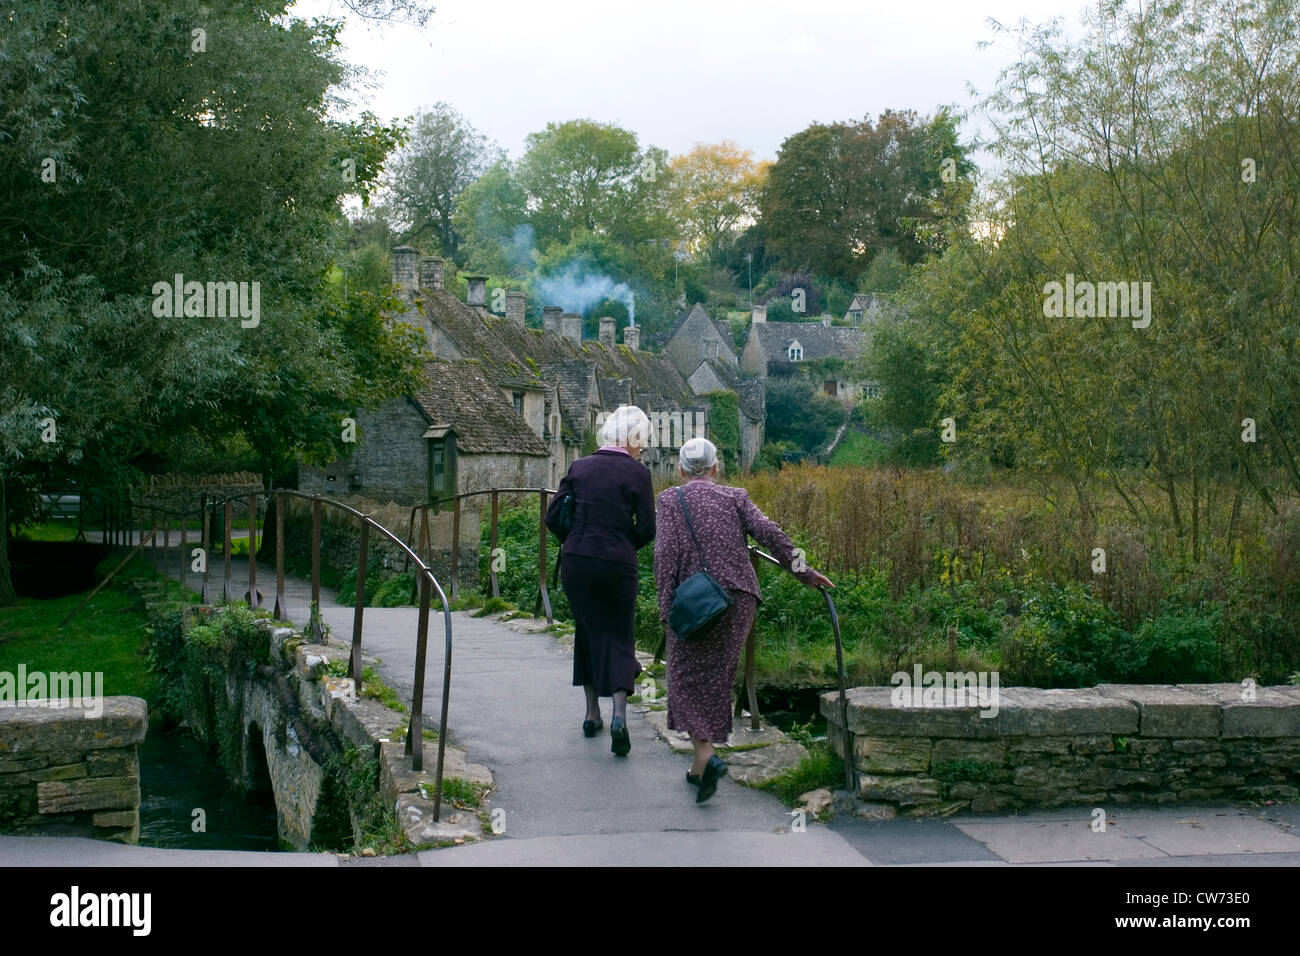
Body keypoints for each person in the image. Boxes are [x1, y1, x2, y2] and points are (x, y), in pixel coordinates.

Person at [654, 437, 832, 802]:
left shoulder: (670, 500)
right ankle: (700, 768)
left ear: (681, 469)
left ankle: (705, 755)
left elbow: (665, 555)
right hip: (738, 599)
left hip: (694, 602)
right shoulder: (736, 496)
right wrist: (806, 573)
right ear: (716, 469)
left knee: (684, 678)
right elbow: (771, 534)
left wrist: (665, 606)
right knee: (718, 677)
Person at [545, 404, 655, 756]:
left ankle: (592, 714)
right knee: (620, 633)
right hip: (618, 562)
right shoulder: (637, 473)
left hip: (578, 561)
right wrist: (624, 544)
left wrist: (575, 540)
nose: (643, 448)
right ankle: (619, 716)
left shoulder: (579, 467)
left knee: (587, 630)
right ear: (633, 438)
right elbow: (647, 528)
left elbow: (554, 517)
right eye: (642, 440)